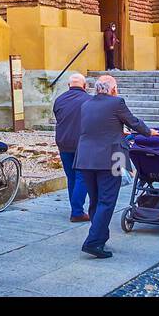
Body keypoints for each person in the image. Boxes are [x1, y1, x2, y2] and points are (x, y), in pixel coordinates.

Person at [74, 74, 155, 259]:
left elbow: (98, 127)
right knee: (107, 200)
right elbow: (133, 122)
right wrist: (150, 132)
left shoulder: (86, 104)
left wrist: (117, 130)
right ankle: (93, 242)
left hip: (85, 158)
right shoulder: (116, 103)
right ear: (112, 89)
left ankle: (100, 237)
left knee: (95, 200)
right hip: (113, 157)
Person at [52, 72, 91, 224]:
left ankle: (75, 208)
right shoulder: (89, 100)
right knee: (83, 176)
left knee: (71, 177)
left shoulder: (59, 100)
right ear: (85, 86)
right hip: (83, 144)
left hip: (63, 143)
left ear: (69, 85)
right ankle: (77, 212)